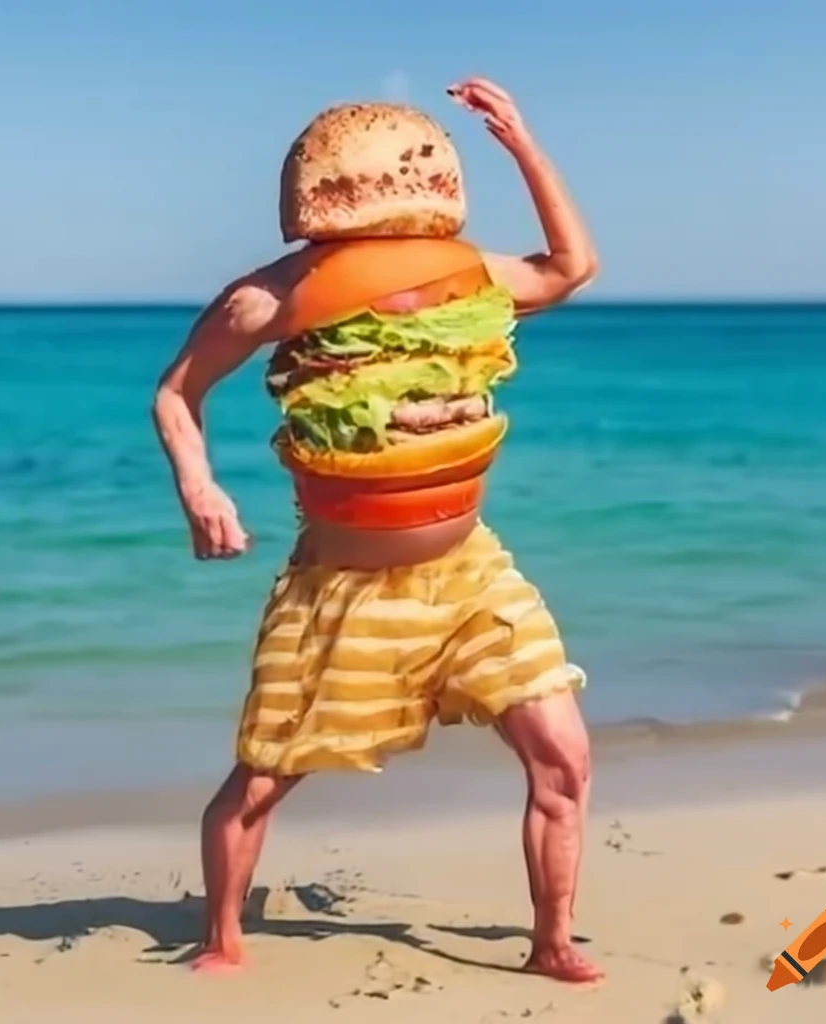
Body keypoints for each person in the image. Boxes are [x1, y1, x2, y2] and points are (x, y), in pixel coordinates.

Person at [152, 77, 601, 983]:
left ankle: (552, 942)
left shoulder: (466, 280)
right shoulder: (270, 299)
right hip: (341, 587)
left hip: (470, 572)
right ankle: (223, 939)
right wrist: (202, 490)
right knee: (262, 778)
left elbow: (568, 267)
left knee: (564, 757)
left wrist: (520, 143)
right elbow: (177, 392)